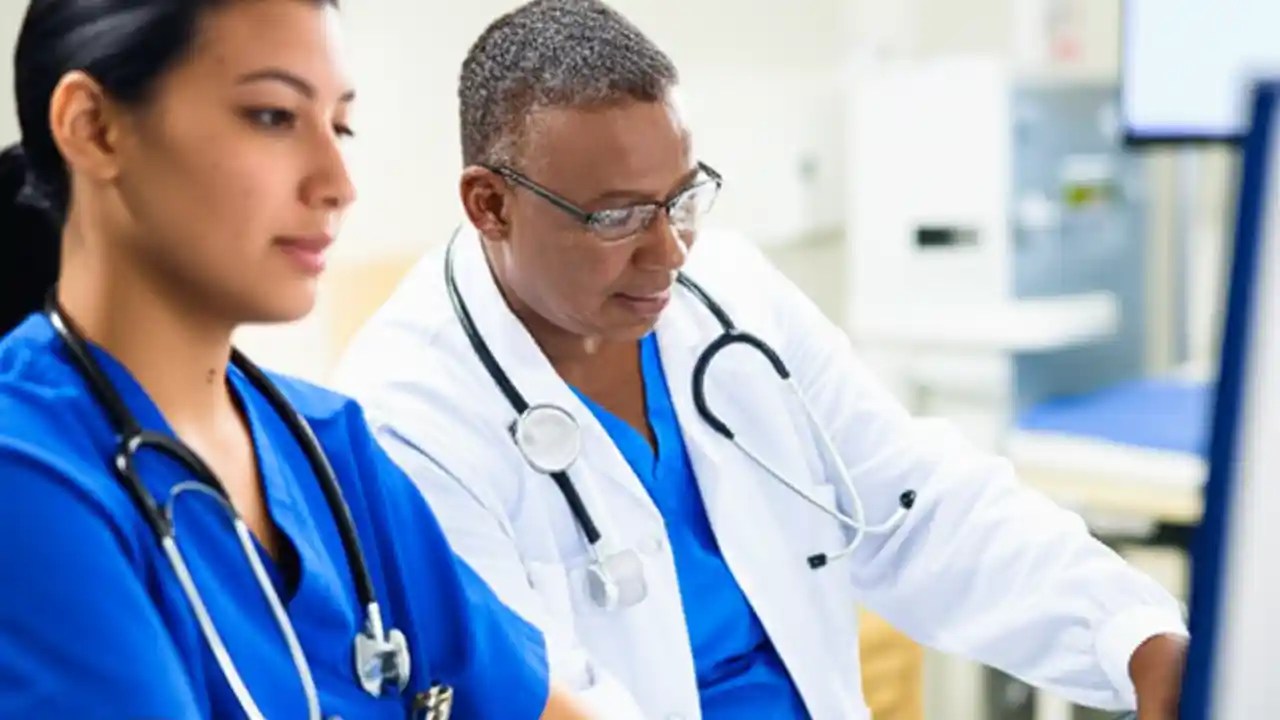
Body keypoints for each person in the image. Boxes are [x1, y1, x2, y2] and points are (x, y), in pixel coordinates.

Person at [332, 1, 1189, 718]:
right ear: (491, 205)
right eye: (618, 216)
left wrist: (1134, 637)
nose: (669, 251)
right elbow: (535, 695)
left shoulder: (728, 297)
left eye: (682, 197)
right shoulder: (405, 420)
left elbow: (917, 505)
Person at [0, 1, 593, 718]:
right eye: (274, 116)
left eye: (339, 124)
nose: (338, 184)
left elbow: (534, 705)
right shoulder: (28, 472)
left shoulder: (327, 447)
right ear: (93, 128)